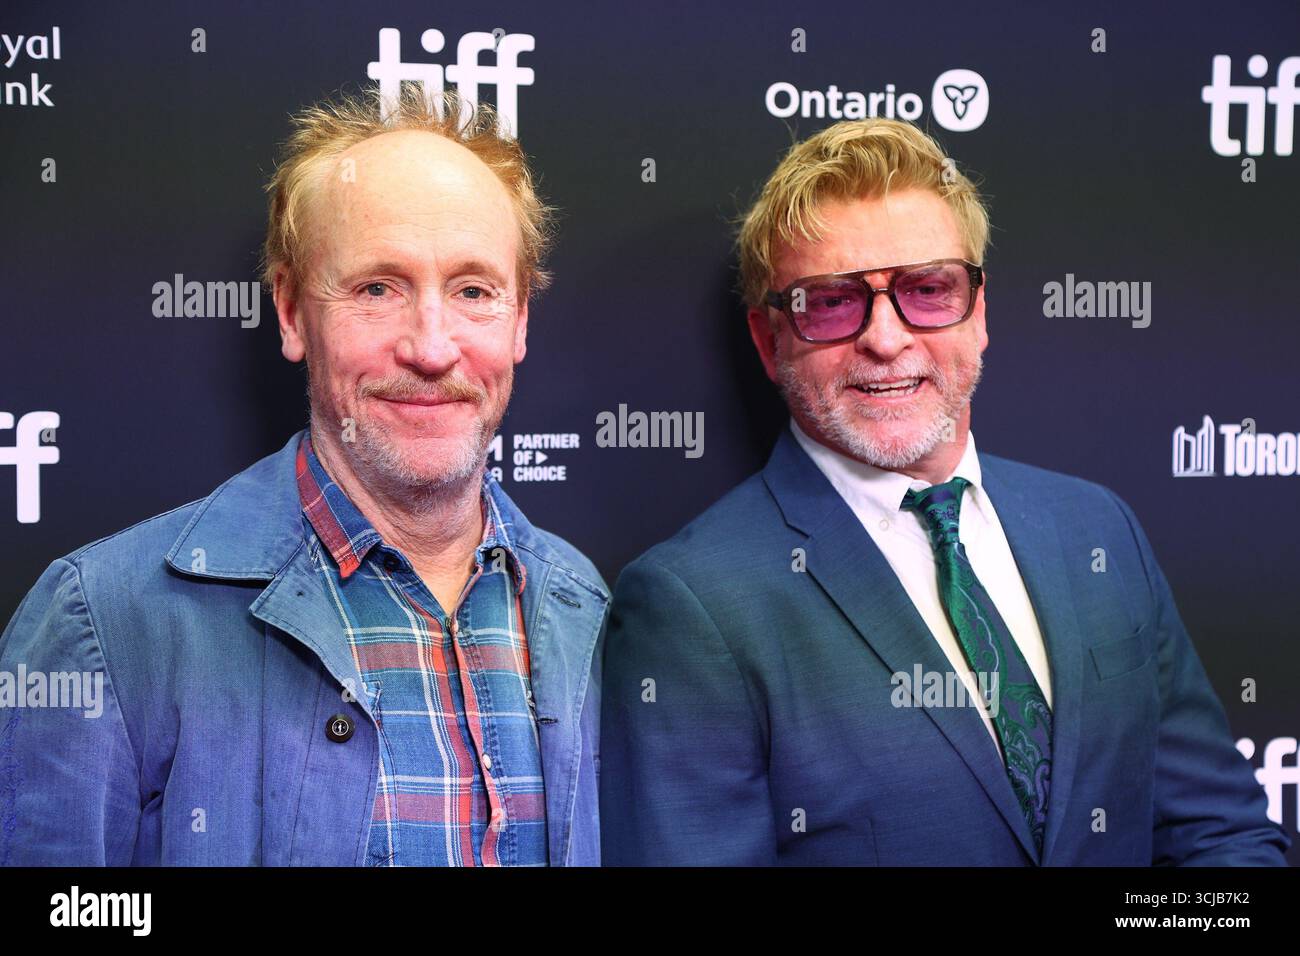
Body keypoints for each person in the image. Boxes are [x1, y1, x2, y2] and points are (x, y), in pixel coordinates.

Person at [599, 118, 1289, 866]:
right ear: (771, 342)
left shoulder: (1098, 530)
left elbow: (1221, 840)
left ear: (978, 312)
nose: (887, 339)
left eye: (927, 290)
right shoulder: (692, 605)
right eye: (831, 302)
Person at [0, 87, 608, 866]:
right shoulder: (107, 624)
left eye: (474, 291)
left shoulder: (585, 612)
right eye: (376, 289)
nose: (431, 346)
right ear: (291, 313)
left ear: (520, 319)